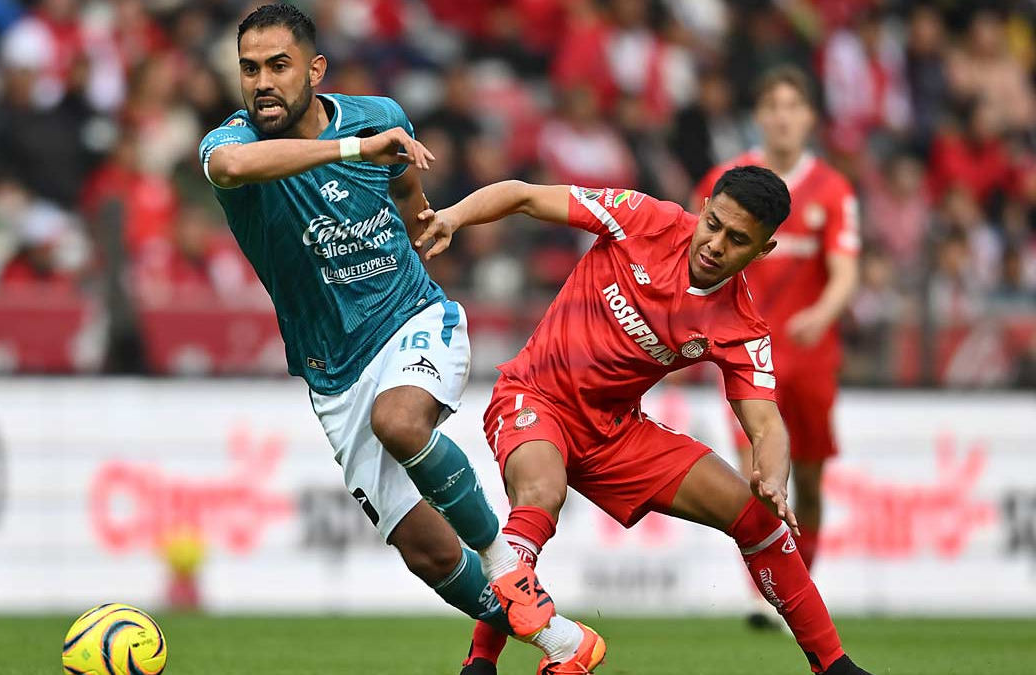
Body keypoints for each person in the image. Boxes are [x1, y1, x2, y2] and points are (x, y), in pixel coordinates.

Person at [197, 6, 597, 670]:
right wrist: (357, 151)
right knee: (430, 552)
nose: (262, 82)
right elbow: (238, 168)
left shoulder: (378, 115)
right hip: (333, 373)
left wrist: (422, 216)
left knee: (401, 420)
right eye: (249, 68)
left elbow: (406, 175)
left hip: (415, 319)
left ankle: (507, 566)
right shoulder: (230, 145)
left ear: (314, 70)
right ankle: (563, 641)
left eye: (278, 65)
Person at [417, 169, 874, 675]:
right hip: (534, 396)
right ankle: (481, 661)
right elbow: (524, 196)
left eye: (738, 240)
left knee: (757, 520)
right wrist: (454, 216)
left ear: (763, 250)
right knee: (542, 494)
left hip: (615, 432)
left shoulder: (740, 324)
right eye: (714, 224)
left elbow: (766, 425)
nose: (716, 245)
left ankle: (834, 666)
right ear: (704, 208)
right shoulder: (641, 217)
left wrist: (773, 477)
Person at [693, 66, 859, 628]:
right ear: (760, 116)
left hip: (810, 358)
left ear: (809, 117)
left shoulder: (833, 191)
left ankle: (799, 582)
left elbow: (844, 271)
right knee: (758, 475)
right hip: (744, 355)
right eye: (773, 105)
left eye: (794, 105)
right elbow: (693, 256)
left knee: (806, 481)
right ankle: (769, 597)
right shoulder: (726, 181)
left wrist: (823, 313)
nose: (783, 116)